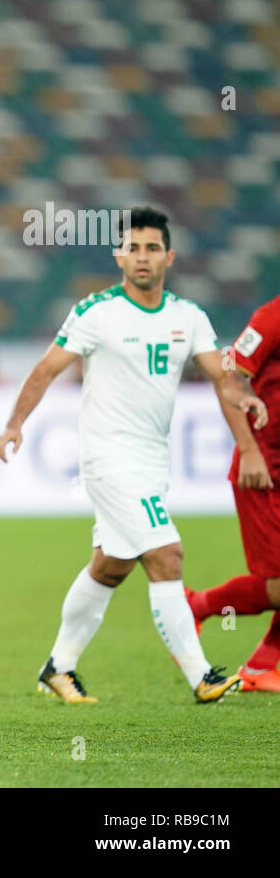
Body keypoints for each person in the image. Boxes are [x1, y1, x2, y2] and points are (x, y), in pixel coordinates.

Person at [0, 206, 267, 704]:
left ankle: (59, 666)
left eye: (152, 248)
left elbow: (221, 379)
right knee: (167, 555)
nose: (142, 257)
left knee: (112, 565)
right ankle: (203, 677)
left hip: (151, 461)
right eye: (133, 248)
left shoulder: (189, 317)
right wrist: (15, 423)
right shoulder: (96, 311)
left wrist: (244, 401)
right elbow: (46, 369)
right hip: (107, 459)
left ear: (170, 256)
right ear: (119, 255)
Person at [186, 295, 280, 691]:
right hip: (265, 471)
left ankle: (261, 667)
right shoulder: (272, 316)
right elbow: (228, 378)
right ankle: (198, 605)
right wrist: (250, 450)